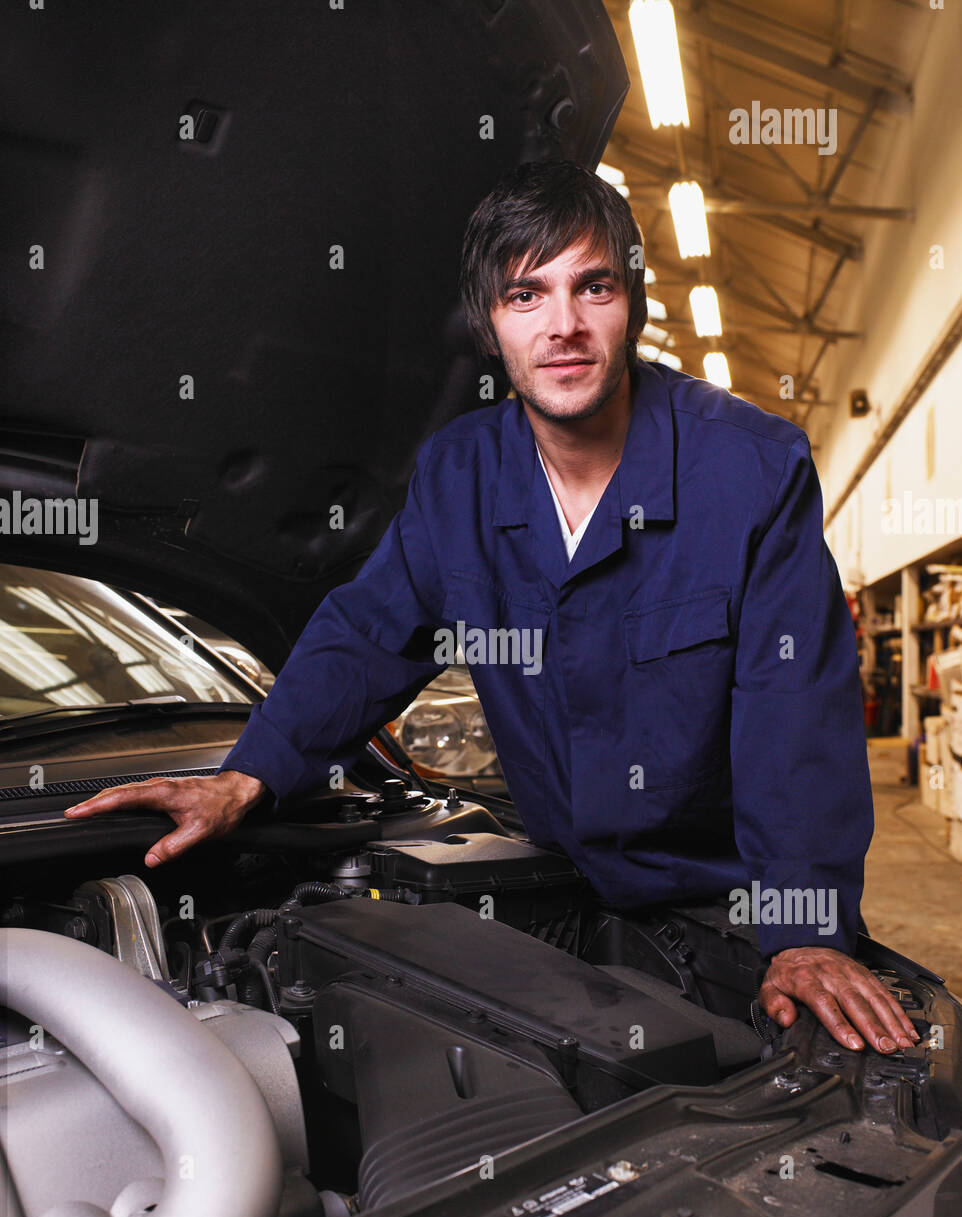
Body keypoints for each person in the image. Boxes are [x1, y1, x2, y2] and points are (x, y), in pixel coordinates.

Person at [66, 161, 917, 1057]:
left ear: (632, 300)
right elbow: (369, 634)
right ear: (488, 324)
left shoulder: (749, 469)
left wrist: (806, 931)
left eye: (593, 287)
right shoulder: (457, 475)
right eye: (525, 295)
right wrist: (250, 774)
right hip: (564, 877)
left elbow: (797, 721)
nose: (564, 326)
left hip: (728, 894)